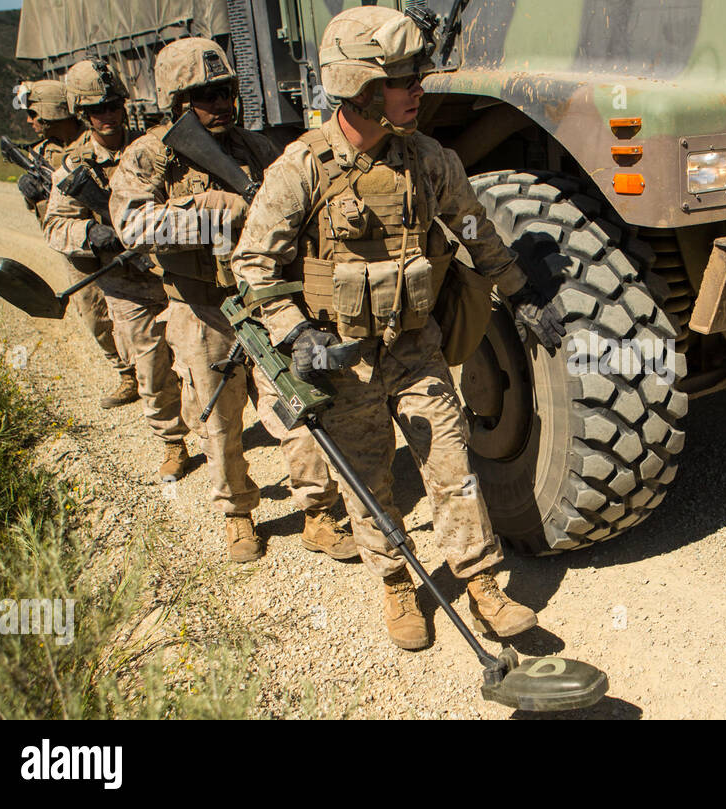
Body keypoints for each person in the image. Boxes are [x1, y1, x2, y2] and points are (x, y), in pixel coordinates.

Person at [232, 6, 564, 649]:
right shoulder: (300, 169)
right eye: (403, 78)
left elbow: (472, 228)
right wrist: (297, 333)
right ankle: (395, 584)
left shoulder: (428, 162)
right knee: (370, 479)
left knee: (453, 467)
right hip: (343, 358)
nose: (419, 89)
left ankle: (481, 583)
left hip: (416, 348)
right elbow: (254, 266)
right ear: (359, 87)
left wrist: (519, 291)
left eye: (416, 76)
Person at [110, 37, 353, 563]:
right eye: (205, 95)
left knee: (295, 403)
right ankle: (238, 516)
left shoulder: (254, 148)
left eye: (226, 92)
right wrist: (206, 208)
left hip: (261, 299)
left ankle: (317, 511)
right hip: (199, 307)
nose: (222, 104)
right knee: (219, 419)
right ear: (176, 101)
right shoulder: (149, 156)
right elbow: (131, 225)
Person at [43, 58, 190, 480]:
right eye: (96, 110)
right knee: (150, 367)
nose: (107, 116)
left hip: (173, 273)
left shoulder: (153, 147)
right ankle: (172, 442)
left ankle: (215, 434)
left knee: (204, 361)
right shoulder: (74, 168)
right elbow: (54, 226)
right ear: (80, 114)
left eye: (112, 105)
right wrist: (91, 233)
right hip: (125, 284)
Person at [15, 78, 136, 408]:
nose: (32, 122)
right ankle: (128, 373)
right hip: (81, 244)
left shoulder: (99, 143)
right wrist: (33, 192)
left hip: (122, 238)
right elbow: (52, 217)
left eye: (36, 114)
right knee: (94, 313)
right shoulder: (42, 154)